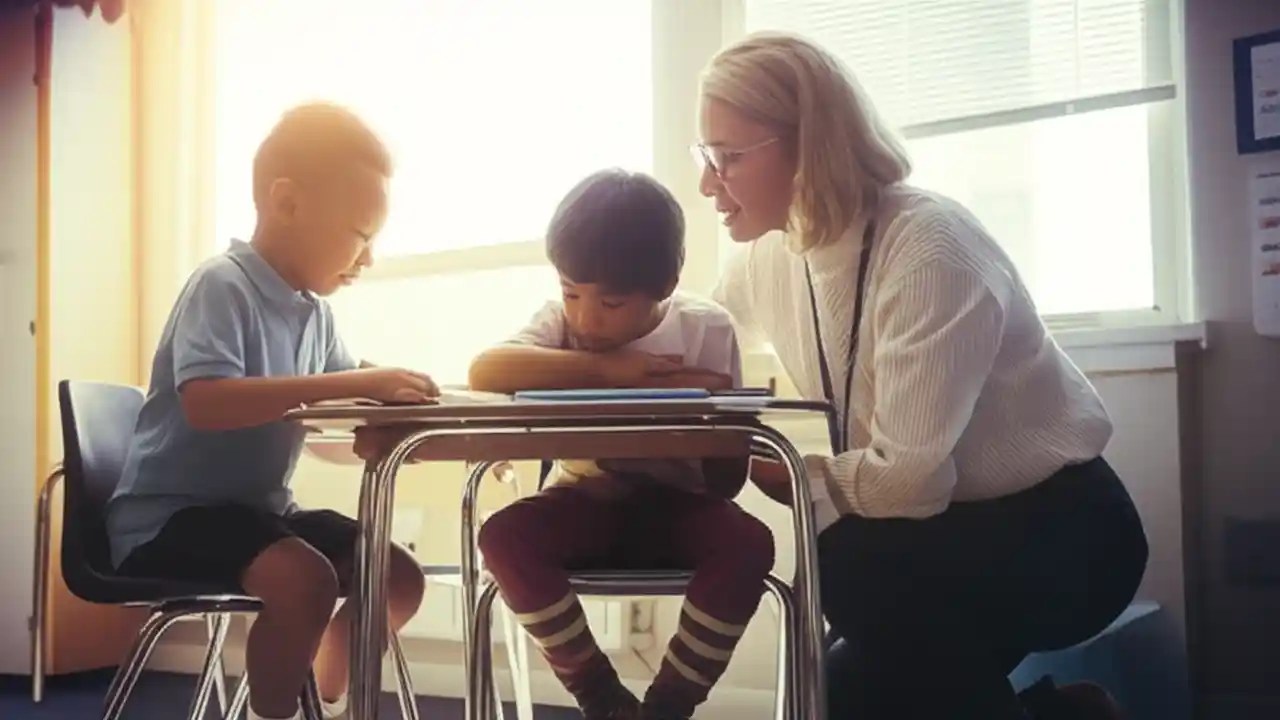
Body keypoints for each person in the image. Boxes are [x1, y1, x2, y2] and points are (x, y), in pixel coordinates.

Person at [696, 33, 1149, 719]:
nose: (707, 182)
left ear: (807, 145)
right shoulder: (776, 254)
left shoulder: (929, 246)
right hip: (941, 536)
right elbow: (686, 322)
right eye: (706, 157)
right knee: (846, 692)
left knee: (845, 558)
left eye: (726, 157)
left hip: (1066, 535)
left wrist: (797, 475)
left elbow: (909, 481)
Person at [106, 103, 431, 720]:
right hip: (168, 519)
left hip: (257, 515)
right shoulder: (222, 284)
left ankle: (329, 699)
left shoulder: (317, 313)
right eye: (362, 235)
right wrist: (359, 380)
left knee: (396, 575)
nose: (368, 258)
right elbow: (206, 404)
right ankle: (273, 713)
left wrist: (389, 419)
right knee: (305, 579)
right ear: (287, 204)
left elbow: (330, 419)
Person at [466, 169, 775, 720]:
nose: (585, 317)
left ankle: (667, 706)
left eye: (610, 305)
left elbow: (726, 484)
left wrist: (718, 419)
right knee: (502, 537)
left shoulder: (707, 329)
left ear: (667, 282)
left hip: (680, 509)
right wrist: (609, 368)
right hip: (584, 501)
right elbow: (485, 369)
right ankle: (601, 698)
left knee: (750, 543)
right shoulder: (560, 324)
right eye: (570, 292)